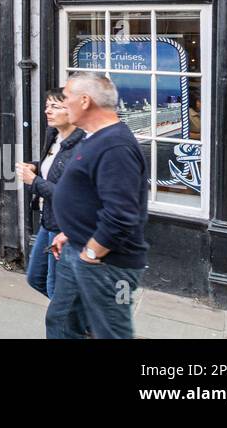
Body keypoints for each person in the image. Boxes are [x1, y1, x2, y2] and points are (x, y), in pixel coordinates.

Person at [45, 72, 149, 340]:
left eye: (66, 98)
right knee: (62, 321)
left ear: (85, 101)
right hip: (79, 247)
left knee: (111, 332)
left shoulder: (115, 146)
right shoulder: (95, 137)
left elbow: (122, 215)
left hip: (106, 263)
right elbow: (95, 196)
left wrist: (90, 254)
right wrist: (71, 233)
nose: (62, 104)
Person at [17, 90, 84, 299]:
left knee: (56, 289)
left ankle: (73, 325)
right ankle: (78, 317)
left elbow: (72, 196)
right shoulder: (53, 134)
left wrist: (34, 182)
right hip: (48, 220)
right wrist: (36, 167)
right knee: (35, 277)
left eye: (54, 106)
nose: (47, 111)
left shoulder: (82, 147)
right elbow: (54, 168)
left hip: (65, 226)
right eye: (47, 106)